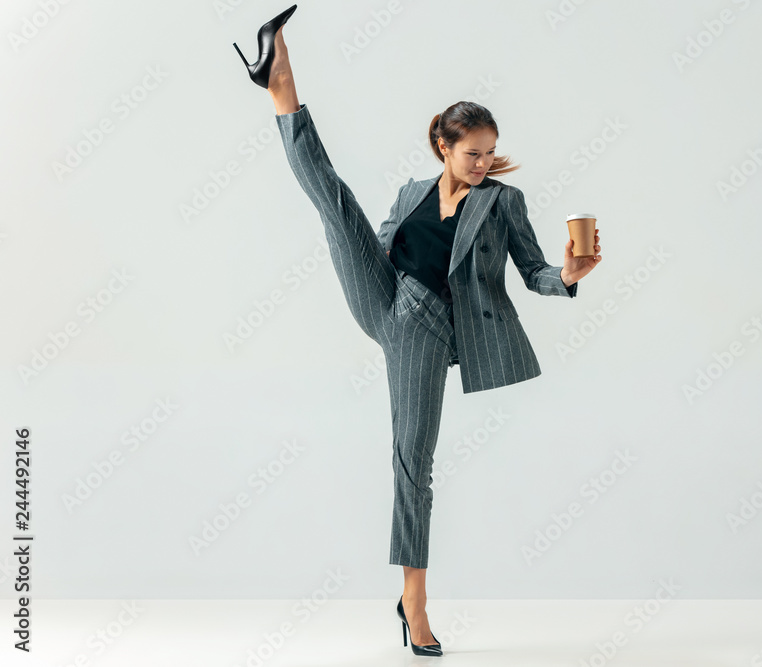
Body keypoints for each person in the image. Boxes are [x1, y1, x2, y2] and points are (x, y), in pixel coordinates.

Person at [234, 4, 602, 656]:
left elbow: (536, 270)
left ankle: (413, 600)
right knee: (334, 202)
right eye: (472, 153)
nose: (484, 163)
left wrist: (569, 272)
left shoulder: (502, 204)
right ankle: (279, 80)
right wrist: (364, 255)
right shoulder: (409, 192)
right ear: (443, 146)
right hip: (383, 291)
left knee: (412, 461)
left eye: (490, 154)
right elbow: (382, 241)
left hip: (426, 332)